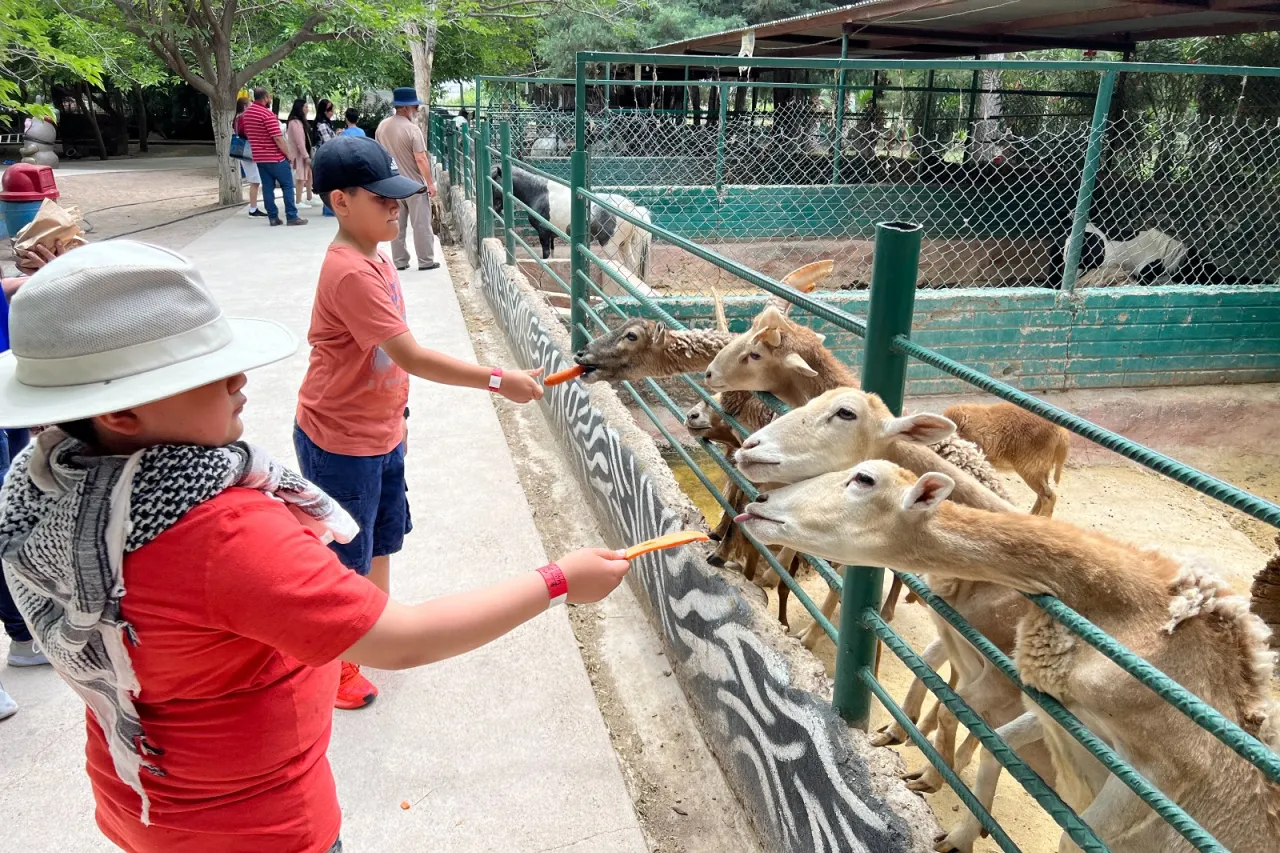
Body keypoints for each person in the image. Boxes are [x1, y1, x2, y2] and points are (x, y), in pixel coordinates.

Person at [0, 240, 630, 850]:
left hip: (138, 794)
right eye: (209, 371)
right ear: (120, 414)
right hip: (254, 822)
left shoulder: (51, 484)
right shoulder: (219, 533)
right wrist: (560, 581)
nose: (240, 379)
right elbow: (401, 639)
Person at [295, 135, 546, 708]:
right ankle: (336, 666)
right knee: (347, 557)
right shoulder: (351, 272)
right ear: (339, 201)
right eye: (381, 199)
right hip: (341, 441)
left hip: (379, 430)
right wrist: (496, 379)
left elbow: (388, 358)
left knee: (380, 542)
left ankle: (373, 637)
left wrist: (398, 419)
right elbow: (411, 356)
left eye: (396, 197)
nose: (393, 207)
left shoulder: (377, 258)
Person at [374, 87, 438, 272]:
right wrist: (430, 183)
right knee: (421, 225)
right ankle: (426, 261)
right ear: (405, 107)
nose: (416, 109)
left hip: (392, 184)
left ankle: (400, 261)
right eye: (415, 106)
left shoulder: (382, 127)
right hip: (414, 186)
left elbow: (379, 155)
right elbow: (421, 158)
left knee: (396, 224)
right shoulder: (413, 129)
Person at [240, 87, 308, 227]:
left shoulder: (247, 115)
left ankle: (273, 217)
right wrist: (288, 155)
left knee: (267, 187)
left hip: (259, 158)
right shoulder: (267, 115)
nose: (270, 100)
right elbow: (278, 139)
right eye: (269, 97)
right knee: (287, 186)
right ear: (265, 97)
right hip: (275, 157)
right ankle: (291, 216)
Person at [234, 96, 267, 218]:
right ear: (245, 106)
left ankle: (254, 207)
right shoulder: (244, 118)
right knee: (255, 180)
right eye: (250, 104)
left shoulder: (237, 119)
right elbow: (249, 133)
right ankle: (253, 209)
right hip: (249, 152)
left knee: (255, 180)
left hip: (244, 151)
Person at [286, 98, 315, 210]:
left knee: (307, 176)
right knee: (300, 177)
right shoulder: (295, 123)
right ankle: (298, 200)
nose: (307, 109)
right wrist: (306, 156)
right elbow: (299, 142)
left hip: (304, 153)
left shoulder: (300, 122)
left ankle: (308, 197)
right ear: (300, 108)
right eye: (305, 107)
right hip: (299, 155)